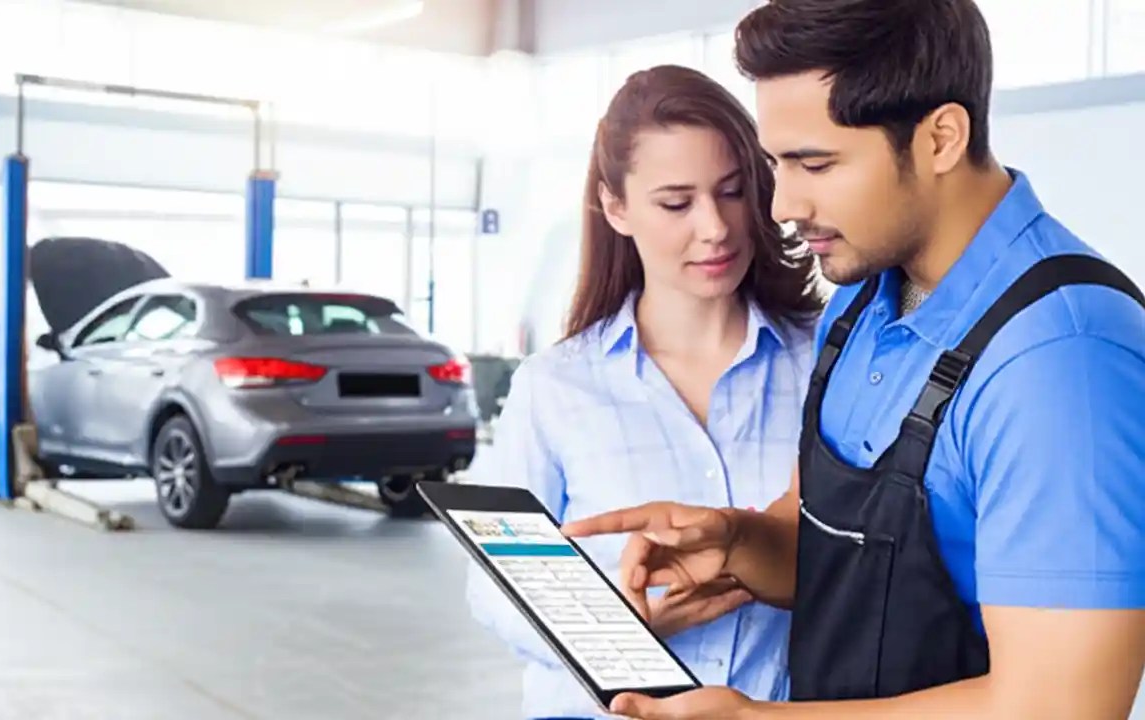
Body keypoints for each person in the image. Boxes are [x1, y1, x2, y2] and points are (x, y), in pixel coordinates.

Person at [562, 1, 1145, 718]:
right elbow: (834, 550)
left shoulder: (1060, 357)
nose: (781, 205)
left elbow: (1061, 706)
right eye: (776, 164)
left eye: (815, 163)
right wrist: (741, 543)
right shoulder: (859, 302)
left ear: (941, 138)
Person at [464, 65, 825, 719]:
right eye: (676, 202)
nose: (715, 227)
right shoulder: (556, 387)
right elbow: (495, 585)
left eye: (734, 191)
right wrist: (620, 635)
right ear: (616, 207)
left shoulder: (827, 363)